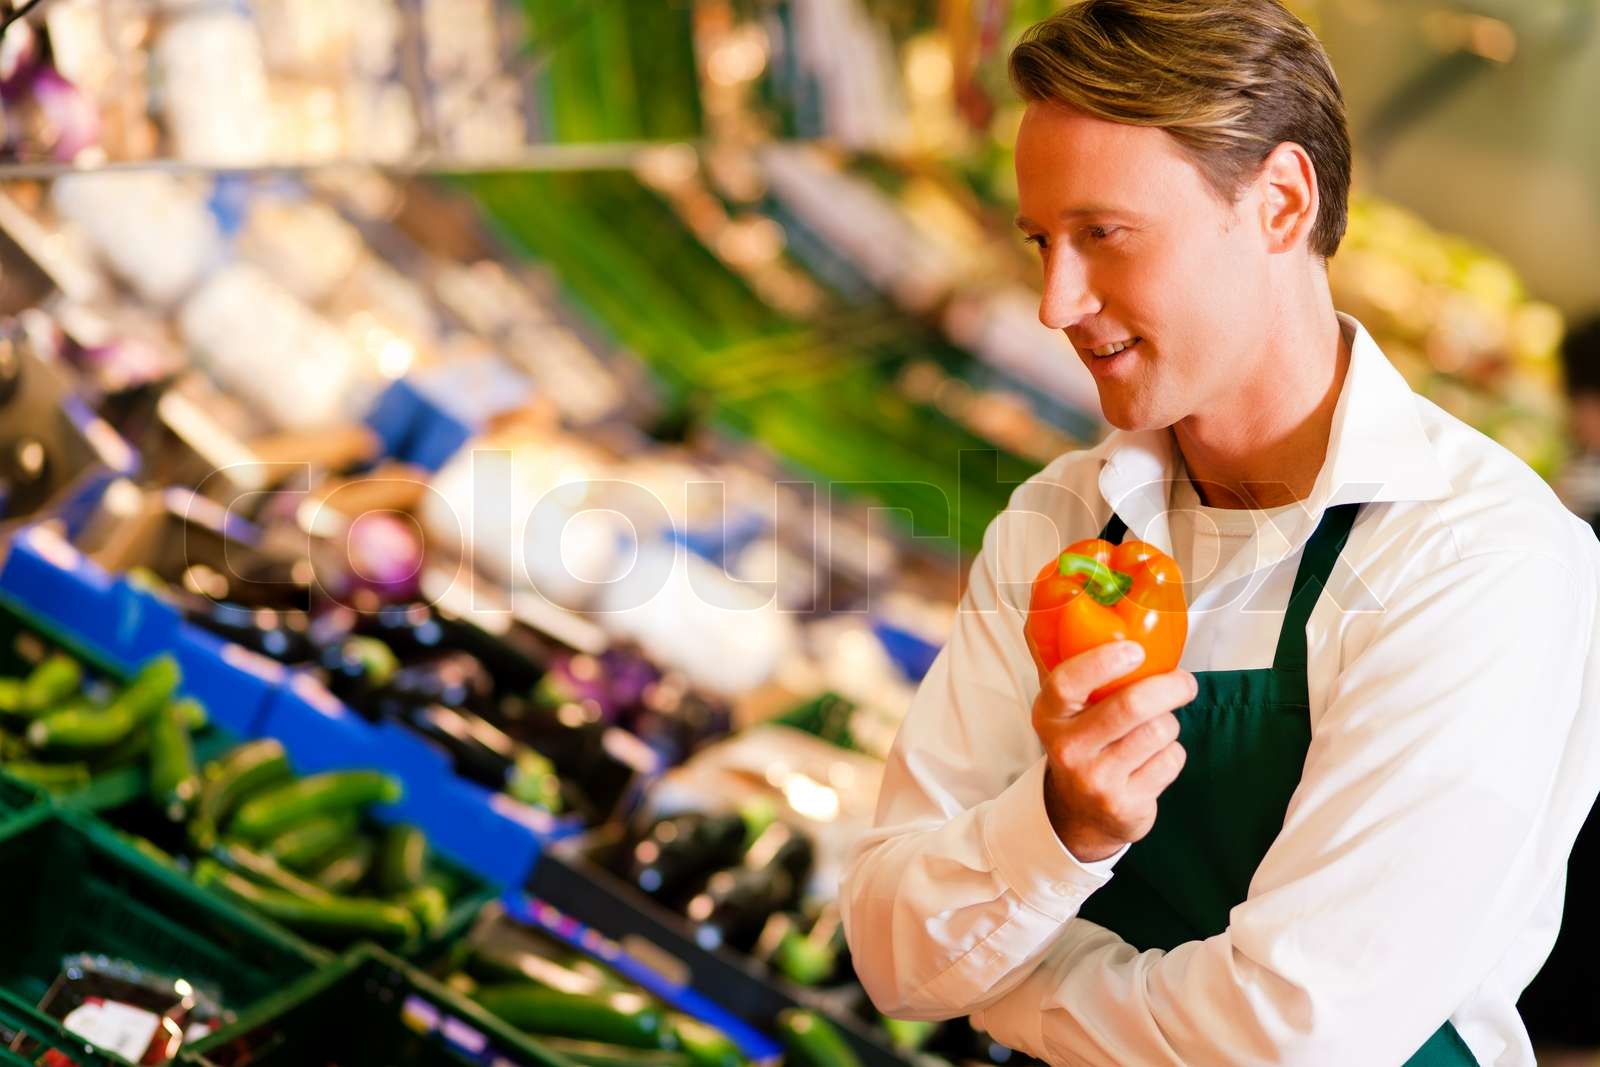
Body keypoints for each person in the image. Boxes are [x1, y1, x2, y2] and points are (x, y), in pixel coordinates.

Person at [838, 3, 1600, 1064]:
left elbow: (1296, 1030)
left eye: (1103, 233)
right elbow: (888, 946)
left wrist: (1014, 996)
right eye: (1040, 243)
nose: (1057, 300)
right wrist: (1061, 824)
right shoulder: (1060, 521)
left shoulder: (1476, 558)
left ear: (1282, 201)